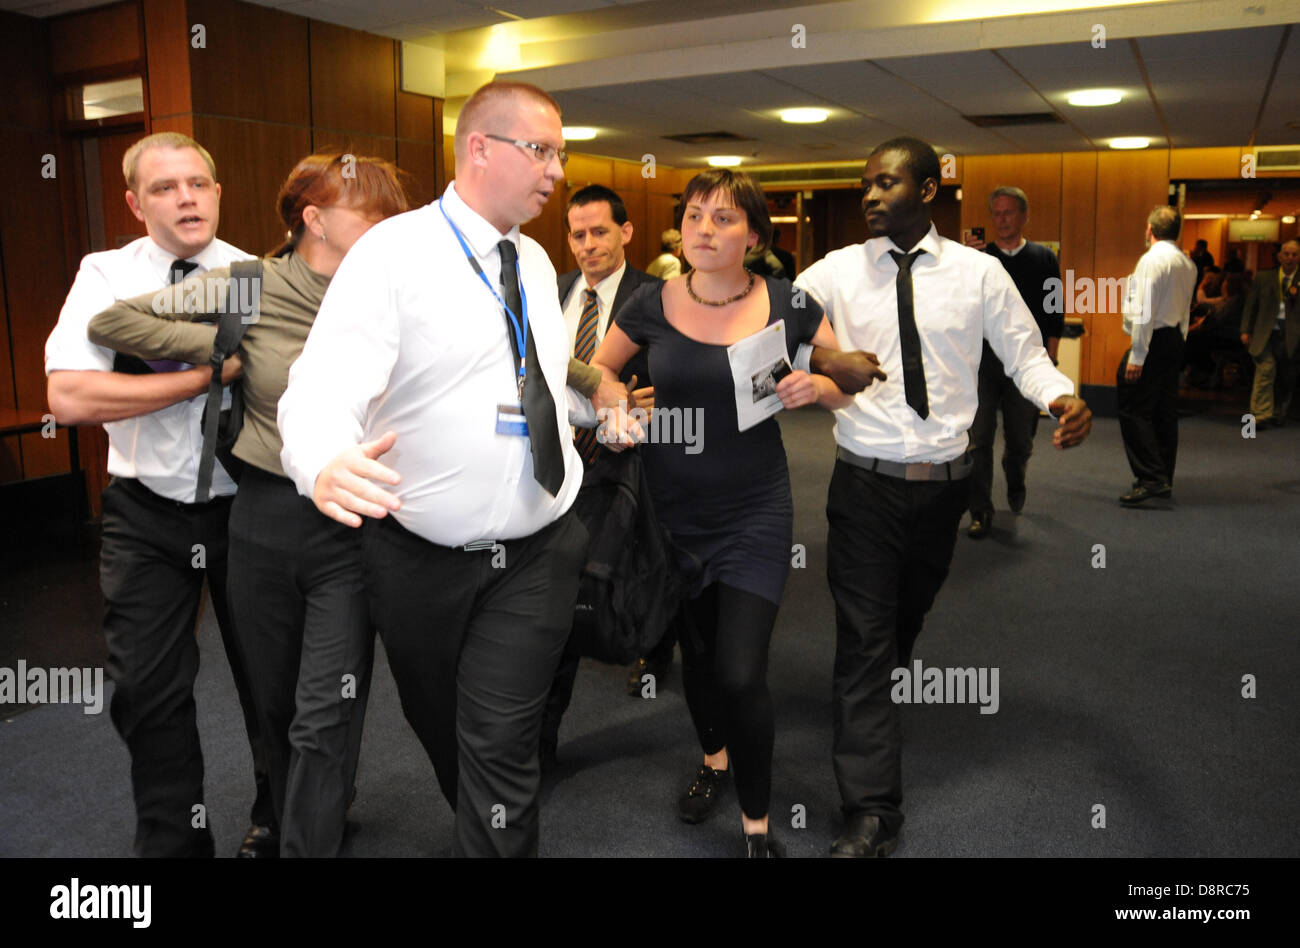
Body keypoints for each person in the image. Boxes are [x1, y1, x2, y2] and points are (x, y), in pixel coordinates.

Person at [277, 80, 596, 858]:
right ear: (479, 148)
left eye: (560, 152)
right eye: (541, 151)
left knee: (500, 737)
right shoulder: (394, 253)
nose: (556, 170)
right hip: (420, 559)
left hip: (537, 547)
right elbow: (319, 386)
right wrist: (319, 458)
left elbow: (539, 382)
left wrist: (595, 414)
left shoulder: (533, 257)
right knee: (442, 728)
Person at [86, 153, 410, 856]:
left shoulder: (397, 288)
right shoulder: (249, 286)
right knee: (275, 705)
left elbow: (499, 344)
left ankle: (305, 839)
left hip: (354, 521)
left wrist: (589, 379)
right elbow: (116, 322)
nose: (391, 224)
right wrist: (217, 353)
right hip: (263, 518)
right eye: (372, 210)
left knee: (324, 712)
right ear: (314, 220)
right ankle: (308, 814)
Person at [793, 137, 1091, 857]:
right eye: (864, 184)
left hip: (944, 492)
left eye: (885, 183)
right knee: (864, 641)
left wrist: (1061, 398)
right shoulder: (835, 270)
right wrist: (826, 356)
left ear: (927, 191)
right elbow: (772, 325)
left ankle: (875, 701)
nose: (868, 195)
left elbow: (1024, 352)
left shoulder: (979, 274)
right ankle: (870, 812)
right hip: (862, 485)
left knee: (900, 622)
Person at [592, 168, 852, 857]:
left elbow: (848, 384)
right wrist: (614, 401)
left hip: (752, 510)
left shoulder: (791, 303)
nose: (705, 230)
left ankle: (758, 825)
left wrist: (817, 385)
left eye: (724, 219)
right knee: (701, 664)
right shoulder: (650, 301)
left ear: (755, 237)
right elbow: (597, 370)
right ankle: (714, 761)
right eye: (695, 216)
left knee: (741, 670)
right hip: (670, 512)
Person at [44, 132, 274, 857]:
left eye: (199, 183)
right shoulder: (106, 275)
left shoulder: (255, 275)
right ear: (135, 202)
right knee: (146, 691)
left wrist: (138, 389)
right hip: (144, 513)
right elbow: (72, 395)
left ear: (217, 191)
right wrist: (203, 378)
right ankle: (174, 844)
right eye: (167, 187)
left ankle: (281, 818)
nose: (187, 198)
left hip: (251, 507)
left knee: (273, 682)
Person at [541, 183, 660, 767]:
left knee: (635, 585)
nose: (588, 246)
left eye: (600, 233)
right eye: (577, 235)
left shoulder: (657, 297)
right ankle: (540, 746)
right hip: (558, 470)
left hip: (629, 470)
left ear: (626, 232)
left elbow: (672, 386)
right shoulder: (552, 293)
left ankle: (654, 649)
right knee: (557, 602)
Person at [962, 186, 1063, 538]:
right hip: (982, 361)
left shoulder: (1043, 258)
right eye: (997, 213)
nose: (1002, 219)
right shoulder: (977, 259)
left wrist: (1051, 352)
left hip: (1024, 361)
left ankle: (1015, 473)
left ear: (1023, 217)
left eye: (1009, 213)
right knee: (979, 438)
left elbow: (1054, 309)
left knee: (1020, 439)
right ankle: (980, 510)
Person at [1116, 206, 1198, 505]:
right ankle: (1163, 475)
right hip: (1174, 338)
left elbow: (1143, 310)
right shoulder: (1188, 264)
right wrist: (1179, 341)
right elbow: (1187, 310)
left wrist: (1137, 355)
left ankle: (1150, 478)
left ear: (1150, 229)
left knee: (1133, 407)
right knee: (1164, 411)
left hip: (1153, 341)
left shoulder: (1151, 261)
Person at [1239, 238, 1300, 428]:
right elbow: (1251, 306)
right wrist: (1245, 330)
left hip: (1292, 335)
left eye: (1294, 254)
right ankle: (1260, 414)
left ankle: (1279, 411)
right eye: (1286, 254)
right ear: (1279, 256)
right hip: (1265, 332)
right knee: (1266, 370)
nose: (1290, 258)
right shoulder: (1264, 278)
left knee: (1287, 375)